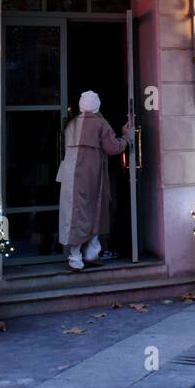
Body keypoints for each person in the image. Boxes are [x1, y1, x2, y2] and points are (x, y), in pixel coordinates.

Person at [57, 90, 131, 270]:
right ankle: (91, 251)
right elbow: (113, 147)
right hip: (92, 174)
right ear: (97, 105)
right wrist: (126, 138)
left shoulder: (72, 123)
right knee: (95, 210)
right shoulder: (100, 124)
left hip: (70, 174)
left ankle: (76, 256)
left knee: (74, 212)